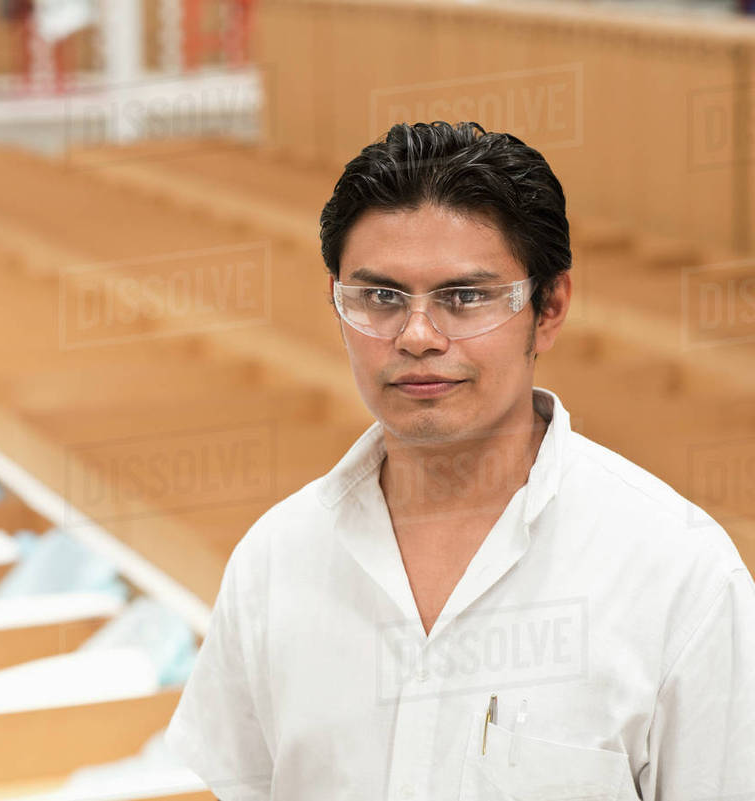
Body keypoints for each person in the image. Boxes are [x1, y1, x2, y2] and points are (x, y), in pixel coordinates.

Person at [164, 120, 755, 800]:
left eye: (465, 297)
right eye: (380, 298)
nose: (417, 336)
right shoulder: (274, 561)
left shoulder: (680, 578)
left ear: (550, 307)